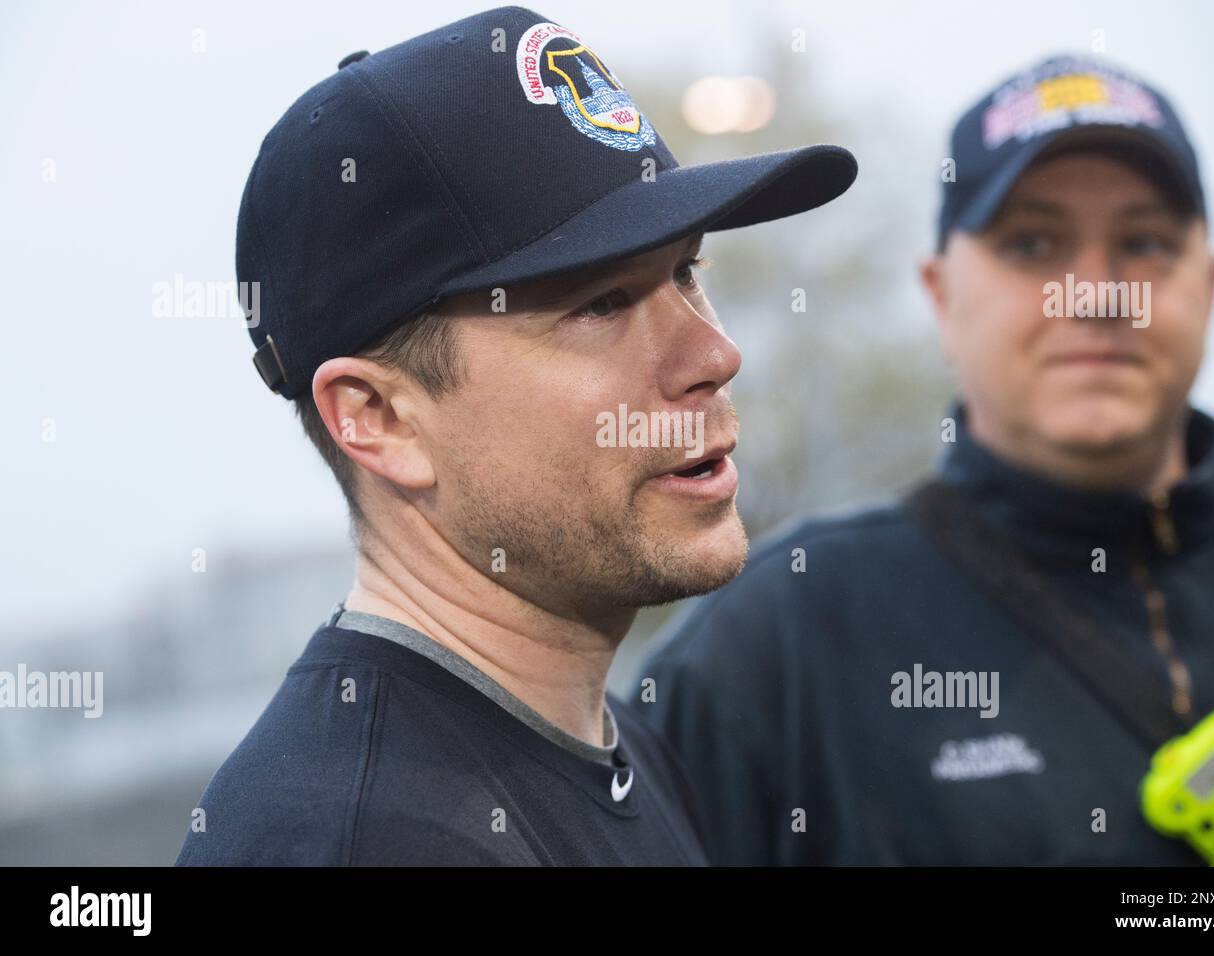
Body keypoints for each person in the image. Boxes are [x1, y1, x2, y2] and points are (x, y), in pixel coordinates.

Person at [175, 6, 856, 865]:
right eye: (601, 305)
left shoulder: (613, 748)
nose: (715, 354)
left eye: (687, 270)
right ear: (379, 419)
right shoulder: (364, 842)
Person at [635, 54, 1214, 865]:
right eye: (1032, 242)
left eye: (1146, 241)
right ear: (942, 295)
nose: (1094, 293)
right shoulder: (772, 655)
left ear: (1212, 284)